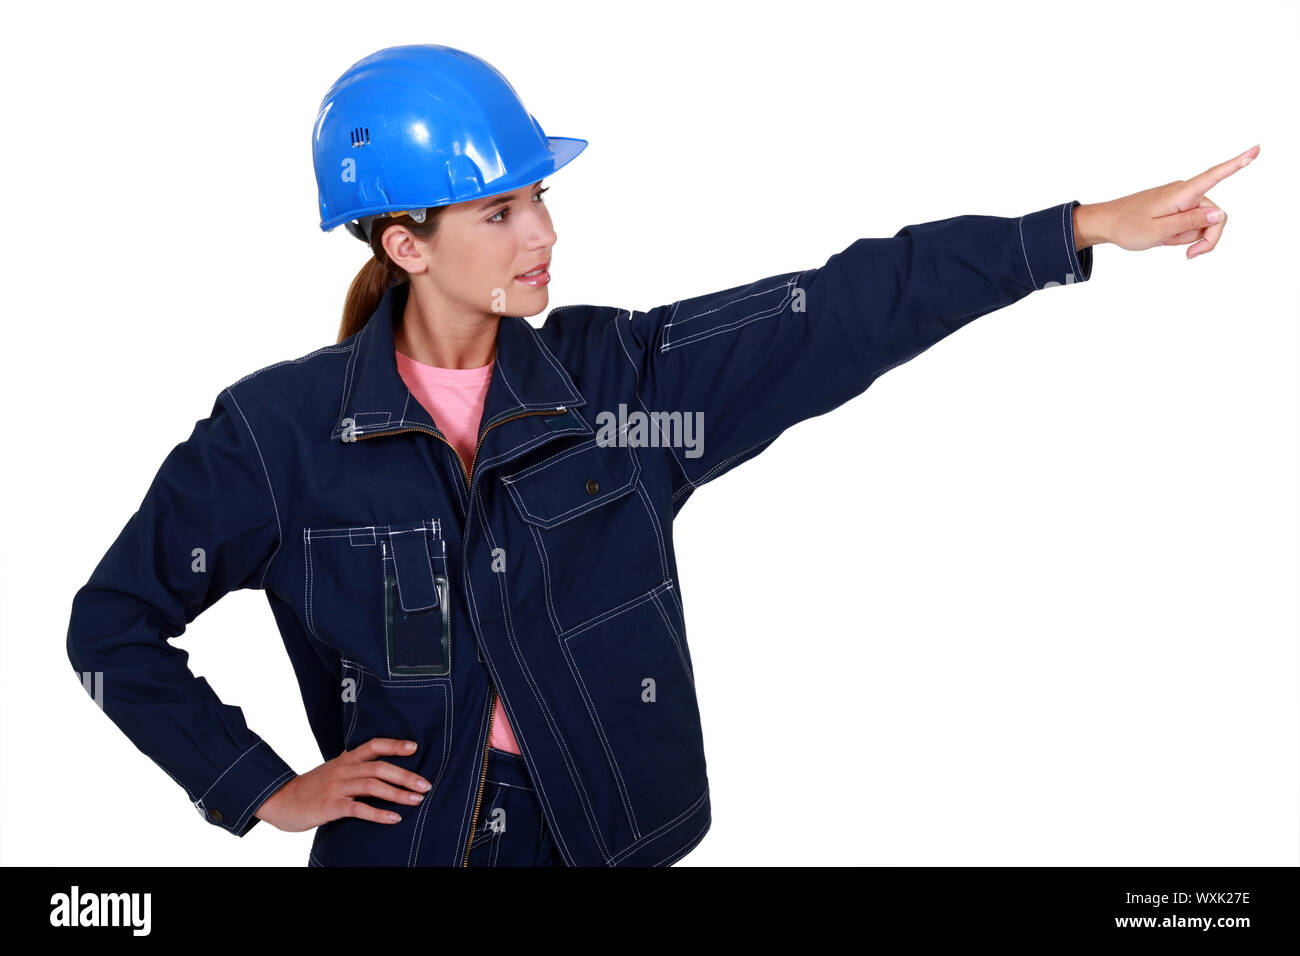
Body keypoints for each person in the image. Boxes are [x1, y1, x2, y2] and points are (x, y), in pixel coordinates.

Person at [65, 43, 1258, 867]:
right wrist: (260, 785)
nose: (543, 232)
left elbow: (844, 303)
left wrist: (1072, 232)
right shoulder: (278, 437)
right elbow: (110, 625)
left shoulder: (623, 398)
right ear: (405, 243)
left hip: (607, 832)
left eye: (539, 196)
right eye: (500, 213)